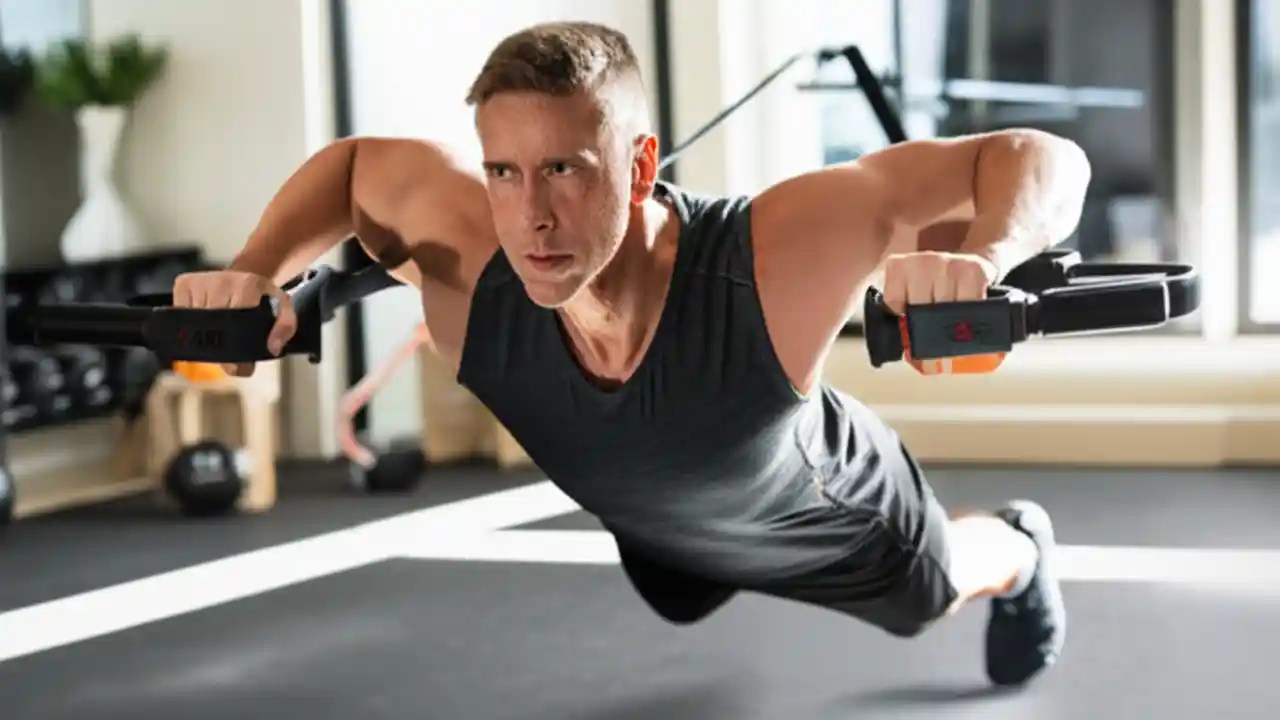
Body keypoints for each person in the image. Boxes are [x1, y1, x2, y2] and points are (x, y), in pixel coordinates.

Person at [176, 21, 1088, 686]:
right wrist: (254, 271)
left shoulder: (769, 258)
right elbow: (351, 168)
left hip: (823, 519)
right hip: (666, 527)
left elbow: (1036, 157)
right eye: (504, 171)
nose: (532, 214)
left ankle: (1016, 544)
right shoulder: (469, 252)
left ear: (641, 165)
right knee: (680, 592)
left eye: (566, 169)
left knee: (928, 595)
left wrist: (985, 259)